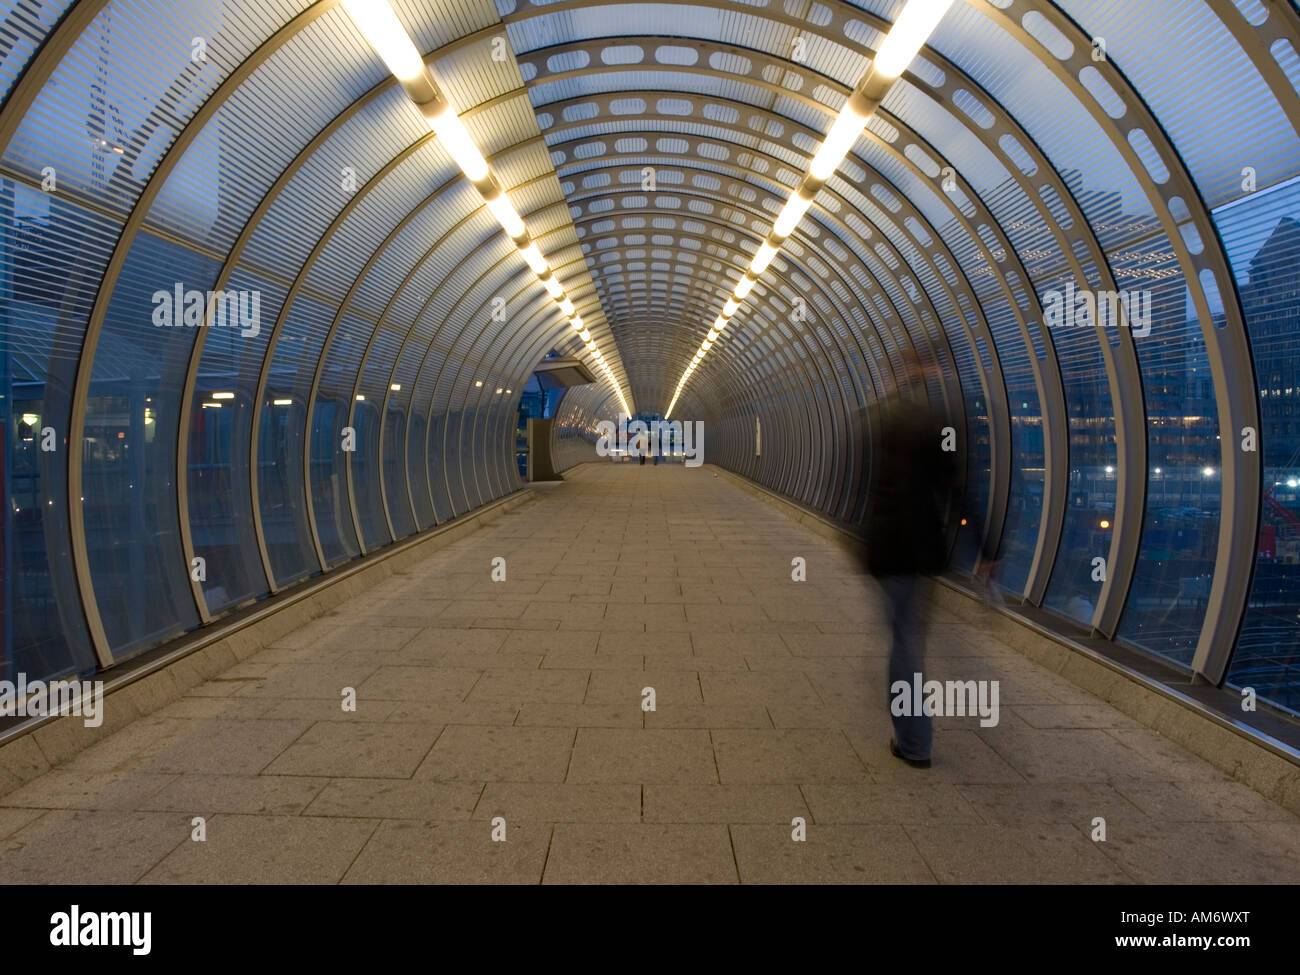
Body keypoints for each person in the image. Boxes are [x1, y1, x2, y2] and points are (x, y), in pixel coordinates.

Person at [860, 357, 960, 769]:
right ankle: (914, 737)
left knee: (903, 644)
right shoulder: (937, 423)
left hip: (886, 549)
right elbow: (956, 487)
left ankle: (914, 740)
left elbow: (860, 482)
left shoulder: (875, 420)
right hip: (922, 551)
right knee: (908, 640)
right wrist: (988, 551)